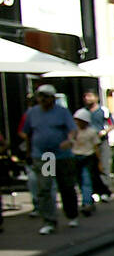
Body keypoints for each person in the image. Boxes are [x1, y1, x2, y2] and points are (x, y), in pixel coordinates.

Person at [21, 85, 79, 235]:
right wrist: (28, 152)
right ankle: (49, 220)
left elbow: (72, 129)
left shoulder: (62, 112)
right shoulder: (33, 113)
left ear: (52, 98)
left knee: (66, 186)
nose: (42, 100)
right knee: (44, 188)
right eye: (40, 97)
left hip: (62, 155)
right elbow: (27, 133)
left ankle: (72, 214)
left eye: (45, 96)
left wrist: (70, 140)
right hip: (44, 156)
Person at [81, 91, 113, 202]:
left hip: (102, 142)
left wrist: (104, 131)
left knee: (104, 166)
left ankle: (105, 191)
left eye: (90, 96)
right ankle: (94, 191)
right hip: (88, 143)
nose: (87, 98)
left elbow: (112, 124)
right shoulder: (83, 112)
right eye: (85, 96)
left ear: (96, 98)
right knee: (91, 167)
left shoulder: (103, 111)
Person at [70, 108, 101, 216]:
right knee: (80, 181)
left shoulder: (91, 132)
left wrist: (99, 161)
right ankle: (88, 199)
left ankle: (86, 202)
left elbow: (96, 147)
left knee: (86, 180)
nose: (77, 122)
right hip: (76, 158)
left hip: (88, 158)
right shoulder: (74, 132)